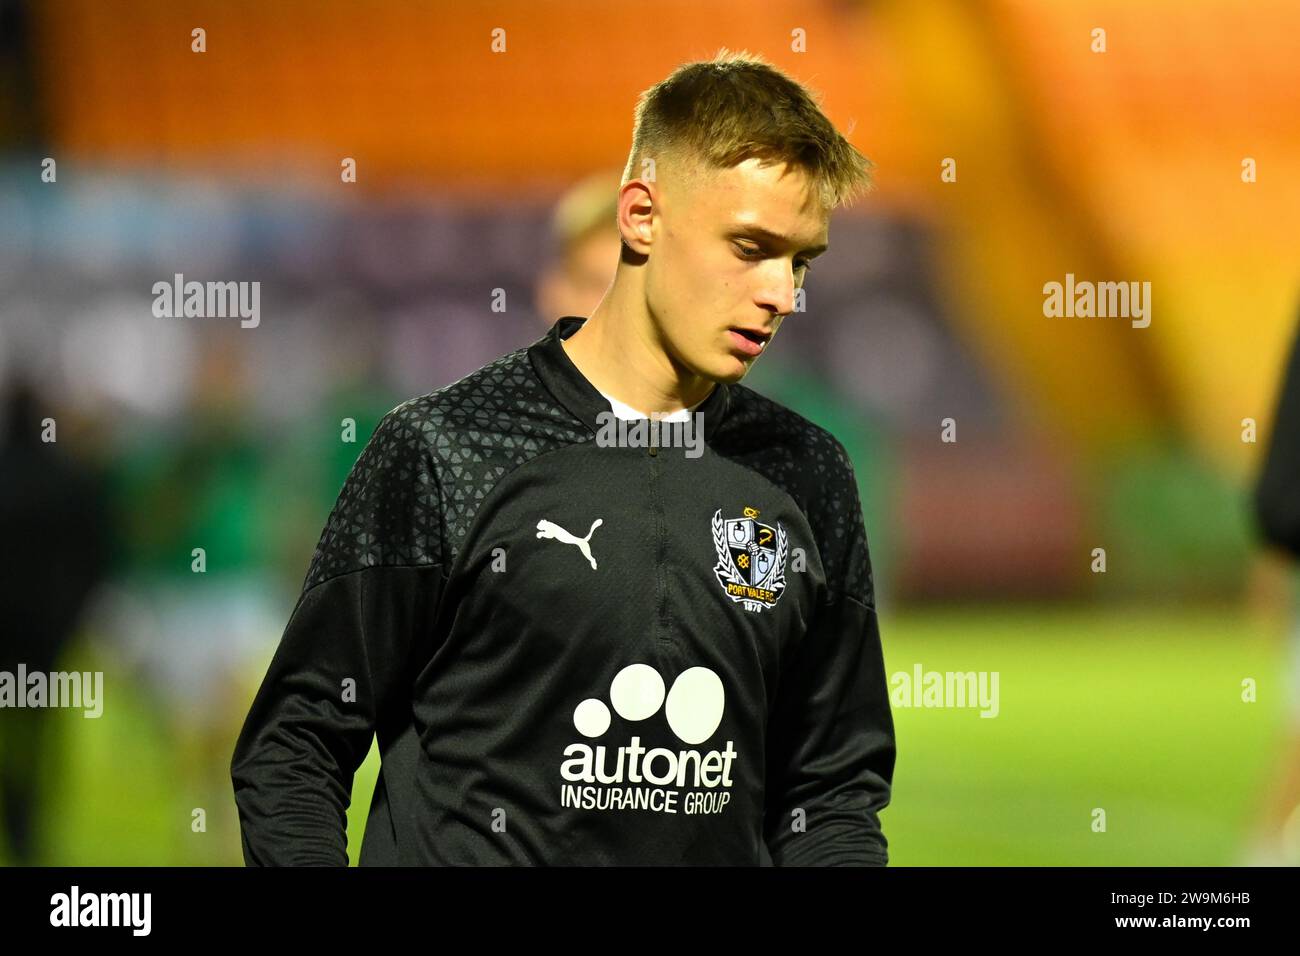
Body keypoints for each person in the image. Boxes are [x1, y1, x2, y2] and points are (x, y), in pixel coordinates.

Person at [231, 47, 896, 865]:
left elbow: (829, 793)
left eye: (801, 261)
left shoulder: (805, 473)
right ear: (641, 215)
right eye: (750, 247)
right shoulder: (446, 448)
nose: (783, 293)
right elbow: (295, 745)